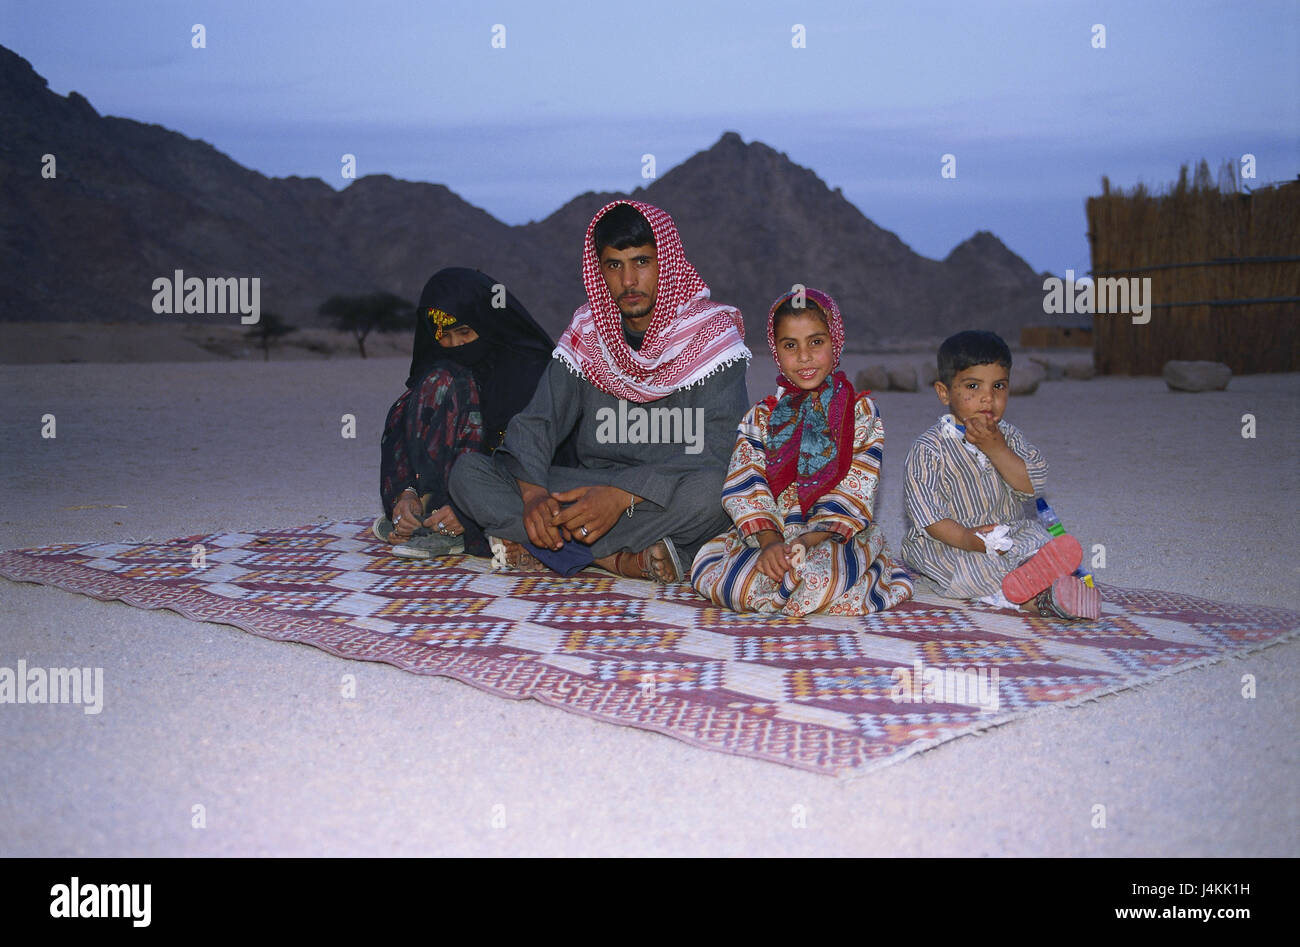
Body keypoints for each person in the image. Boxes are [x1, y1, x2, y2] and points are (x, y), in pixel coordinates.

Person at [448, 200, 751, 582]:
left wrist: (622, 497)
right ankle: (617, 560)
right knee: (468, 473)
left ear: (666, 264)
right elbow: (538, 423)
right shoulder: (589, 333)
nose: (628, 281)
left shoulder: (711, 337)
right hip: (587, 494)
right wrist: (534, 497)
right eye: (614, 265)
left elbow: (720, 450)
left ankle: (556, 548)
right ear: (599, 271)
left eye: (642, 262)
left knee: (716, 495)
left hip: (665, 492)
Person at [690, 288, 914, 615]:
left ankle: (798, 585)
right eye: (790, 345)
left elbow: (858, 487)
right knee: (717, 572)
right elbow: (746, 481)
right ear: (776, 351)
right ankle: (784, 582)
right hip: (769, 536)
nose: (804, 356)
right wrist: (770, 543)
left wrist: (807, 541)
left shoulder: (860, 413)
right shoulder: (761, 417)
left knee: (825, 574)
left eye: (816, 342)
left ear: (835, 343)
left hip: (831, 537)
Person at [900, 330, 1101, 619]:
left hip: (1008, 531)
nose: (988, 398)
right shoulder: (928, 449)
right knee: (970, 570)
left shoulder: (1008, 435)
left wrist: (998, 450)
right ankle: (1042, 601)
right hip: (949, 540)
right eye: (973, 386)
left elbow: (1032, 485)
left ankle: (1045, 583)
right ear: (944, 392)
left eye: (998, 386)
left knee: (1038, 542)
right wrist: (969, 539)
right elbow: (929, 517)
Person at [377, 267, 561, 559]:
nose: (455, 345)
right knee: (427, 389)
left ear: (487, 322)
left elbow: (535, 455)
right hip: (449, 490)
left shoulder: (530, 371)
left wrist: (467, 507)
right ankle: (423, 512)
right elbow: (402, 431)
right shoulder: (441, 376)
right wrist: (408, 492)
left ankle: (460, 525)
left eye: (464, 332)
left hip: (513, 485)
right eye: (444, 336)